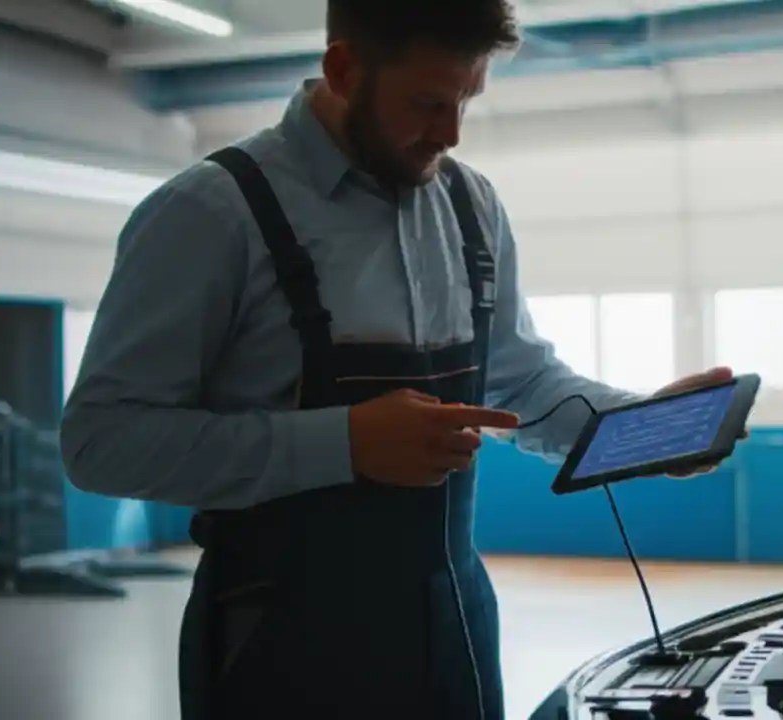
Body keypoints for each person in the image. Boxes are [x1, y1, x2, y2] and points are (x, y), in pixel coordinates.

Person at [59, 1, 739, 718]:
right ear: (344, 69)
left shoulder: (471, 205)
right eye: (427, 103)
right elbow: (102, 443)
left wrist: (647, 432)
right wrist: (345, 443)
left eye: (465, 102)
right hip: (277, 648)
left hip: (456, 629)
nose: (449, 133)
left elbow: (522, 382)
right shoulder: (208, 214)